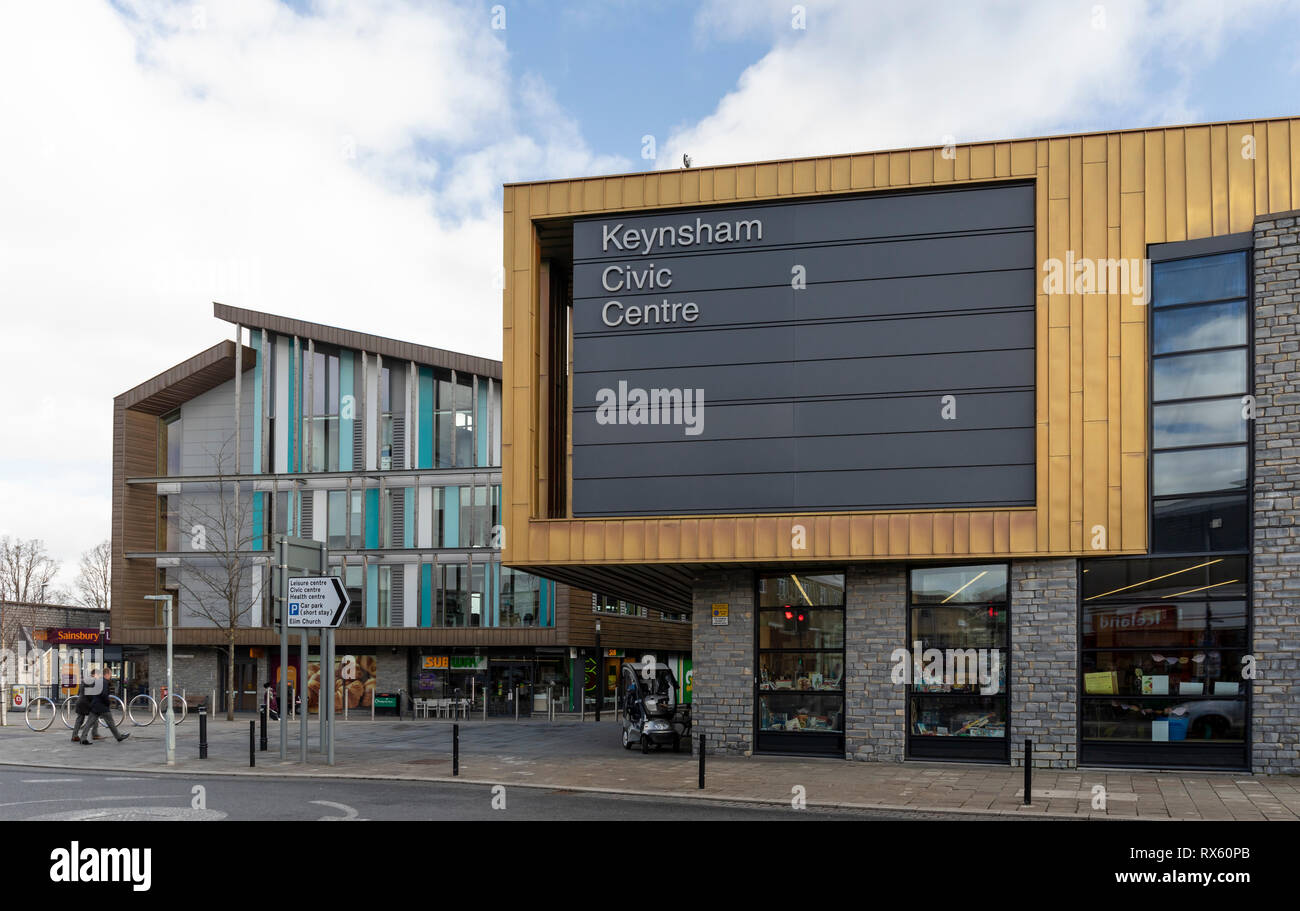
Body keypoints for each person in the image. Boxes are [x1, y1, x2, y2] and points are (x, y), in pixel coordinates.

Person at [82, 667, 129, 744]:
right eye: (110, 674)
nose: (110, 676)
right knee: (110, 722)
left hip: (95, 705)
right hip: (102, 706)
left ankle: (83, 739)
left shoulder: (99, 681)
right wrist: (107, 703)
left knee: (89, 723)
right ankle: (118, 737)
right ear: (106, 674)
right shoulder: (104, 682)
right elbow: (103, 694)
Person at [70, 670, 104, 743]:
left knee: (79, 720)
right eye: (99, 675)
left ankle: (74, 736)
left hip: (80, 702)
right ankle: (94, 734)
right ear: (95, 675)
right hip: (87, 703)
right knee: (94, 717)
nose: (99, 677)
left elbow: (79, 692)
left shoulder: (84, 680)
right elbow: (91, 694)